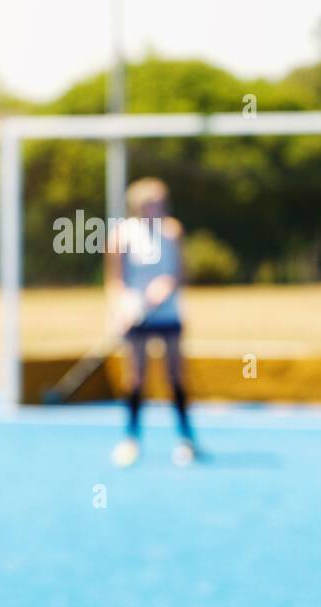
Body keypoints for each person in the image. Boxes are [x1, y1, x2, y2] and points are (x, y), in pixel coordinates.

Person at [104, 177, 199, 468]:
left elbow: (181, 273)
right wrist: (122, 309)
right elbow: (115, 280)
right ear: (137, 205)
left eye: (159, 203)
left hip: (168, 313)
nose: (155, 209)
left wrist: (167, 285)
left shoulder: (172, 231)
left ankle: (186, 439)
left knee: (175, 376)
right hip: (136, 315)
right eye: (150, 203)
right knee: (135, 377)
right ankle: (131, 439)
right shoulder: (122, 234)